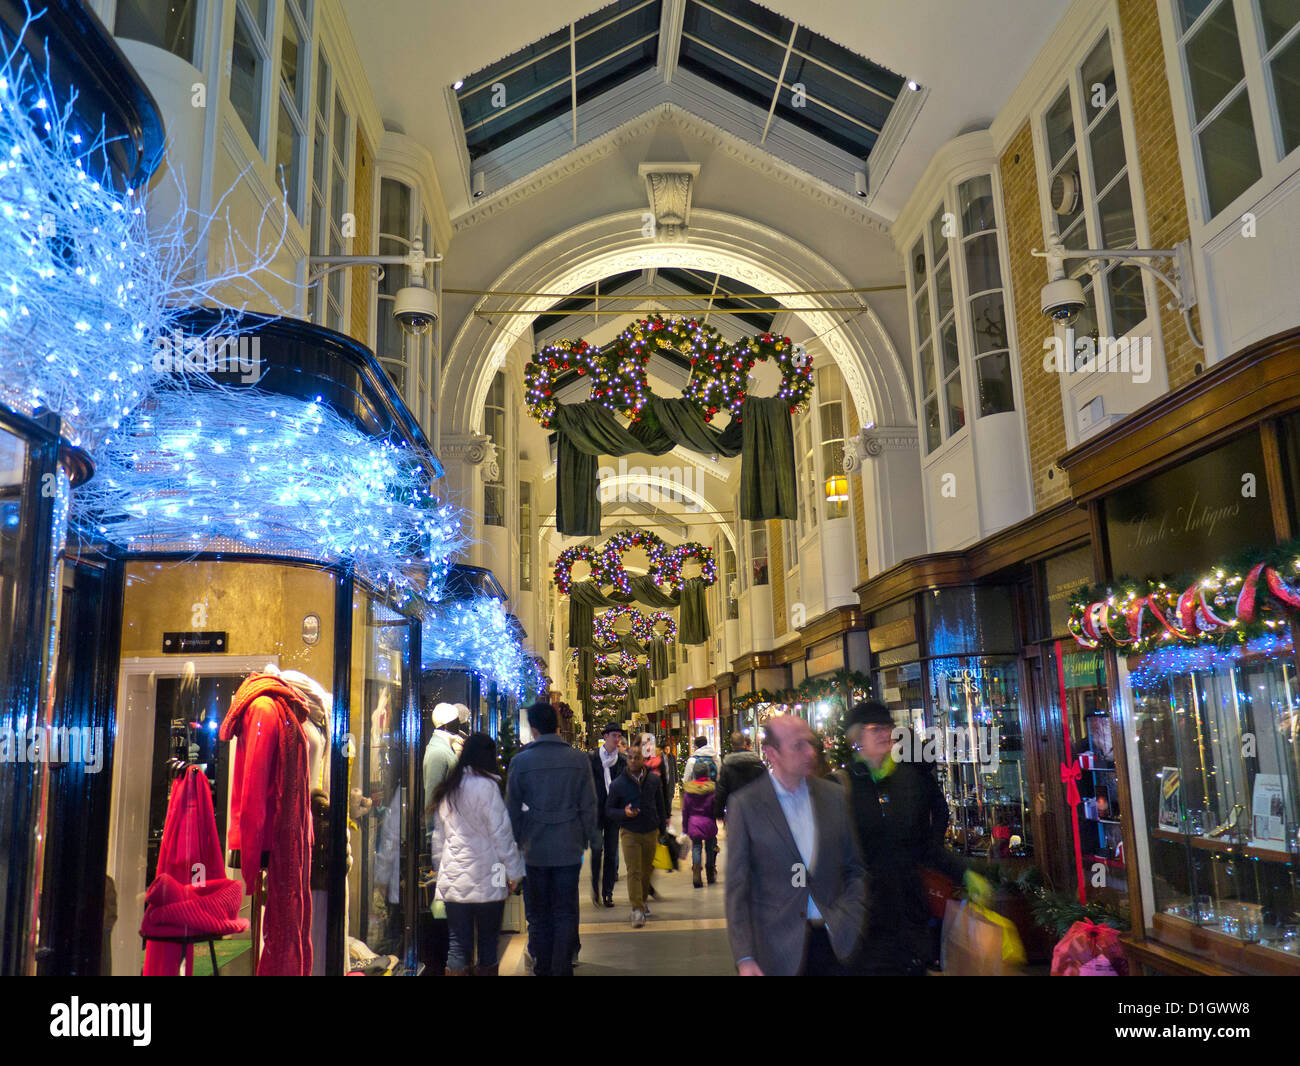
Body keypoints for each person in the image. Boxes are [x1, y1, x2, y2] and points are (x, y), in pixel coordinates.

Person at [724, 715, 866, 976]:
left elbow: (854, 868)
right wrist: (744, 956)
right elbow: (737, 890)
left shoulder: (832, 796)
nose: (810, 752)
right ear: (772, 753)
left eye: (810, 743)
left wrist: (851, 918)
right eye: (798, 746)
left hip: (834, 944)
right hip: (776, 949)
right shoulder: (746, 805)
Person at [833, 701, 964, 976]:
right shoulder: (841, 787)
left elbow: (924, 846)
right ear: (857, 736)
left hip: (908, 915)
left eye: (887, 727)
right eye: (874, 728)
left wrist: (966, 875)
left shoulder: (907, 780)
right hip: (865, 920)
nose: (884, 733)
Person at [506, 702, 600, 977]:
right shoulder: (578, 759)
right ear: (558, 726)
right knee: (565, 911)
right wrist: (587, 838)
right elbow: (589, 805)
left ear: (533, 728)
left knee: (538, 912)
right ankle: (561, 968)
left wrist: (518, 840)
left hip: (534, 850)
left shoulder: (521, 762)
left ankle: (542, 965)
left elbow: (511, 810)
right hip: (568, 848)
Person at [430, 733, 524, 976]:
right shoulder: (488, 787)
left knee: (457, 944)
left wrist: (441, 870)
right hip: (490, 875)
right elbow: (501, 834)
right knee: (488, 942)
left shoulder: (449, 786)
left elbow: (438, 838)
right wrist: (513, 872)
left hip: (454, 875)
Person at [605, 742, 666, 928]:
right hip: (630, 831)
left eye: (636, 757)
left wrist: (662, 829)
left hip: (650, 830)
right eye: (630, 757)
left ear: (643, 759)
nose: (632, 760)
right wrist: (624, 813)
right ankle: (637, 909)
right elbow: (608, 810)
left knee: (647, 870)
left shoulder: (654, 781)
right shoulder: (618, 784)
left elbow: (661, 806)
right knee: (634, 871)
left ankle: (642, 901)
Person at [588, 723, 626, 908]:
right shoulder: (592, 758)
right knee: (596, 851)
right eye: (614, 735)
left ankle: (608, 893)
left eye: (619, 736)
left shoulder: (622, 761)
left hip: (613, 812)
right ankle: (595, 889)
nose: (617, 739)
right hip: (596, 811)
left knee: (611, 853)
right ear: (605, 736)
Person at [681, 762, 719, 887]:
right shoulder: (712, 789)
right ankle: (710, 873)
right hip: (708, 822)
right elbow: (715, 808)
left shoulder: (689, 791)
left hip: (694, 823)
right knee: (709, 848)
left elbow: (685, 811)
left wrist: (685, 828)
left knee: (696, 848)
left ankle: (696, 874)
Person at [714, 731, 765, 821]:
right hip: (756, 809)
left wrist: (719, 812)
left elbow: (722, 790)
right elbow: (767, 786)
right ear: (744, 743)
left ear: (731, 745)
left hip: (735, 811)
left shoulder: (726, 766)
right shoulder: (757, 763)